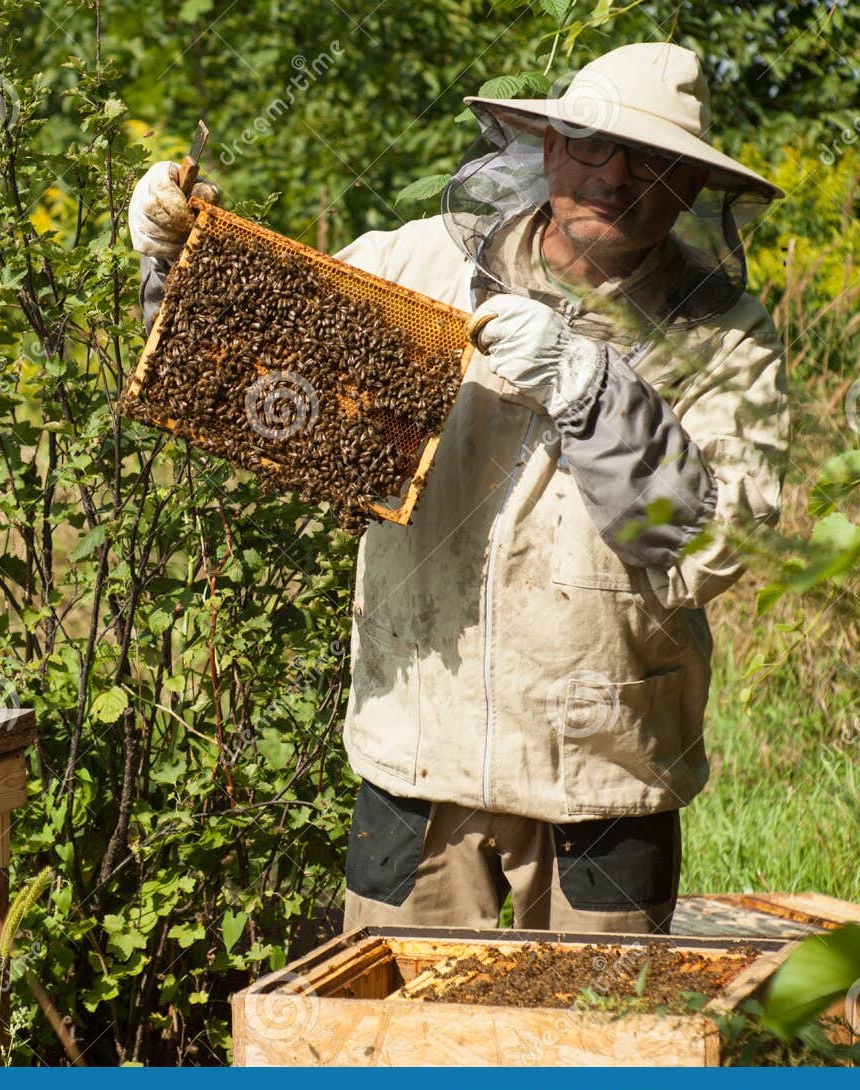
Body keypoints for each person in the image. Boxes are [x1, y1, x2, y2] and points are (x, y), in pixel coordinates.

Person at [127, 42, 789, 934]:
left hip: (603, 776)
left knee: (595, 1061)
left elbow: (713, 547)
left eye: (655, 160)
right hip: (418, 762)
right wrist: (176, 267)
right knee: (404, 1053)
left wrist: (591, 388)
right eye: (594, 144)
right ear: (551, 147)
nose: (618, 176)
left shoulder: (727, 338)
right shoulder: (419, 264)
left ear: (691, 187)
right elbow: (256, 388)